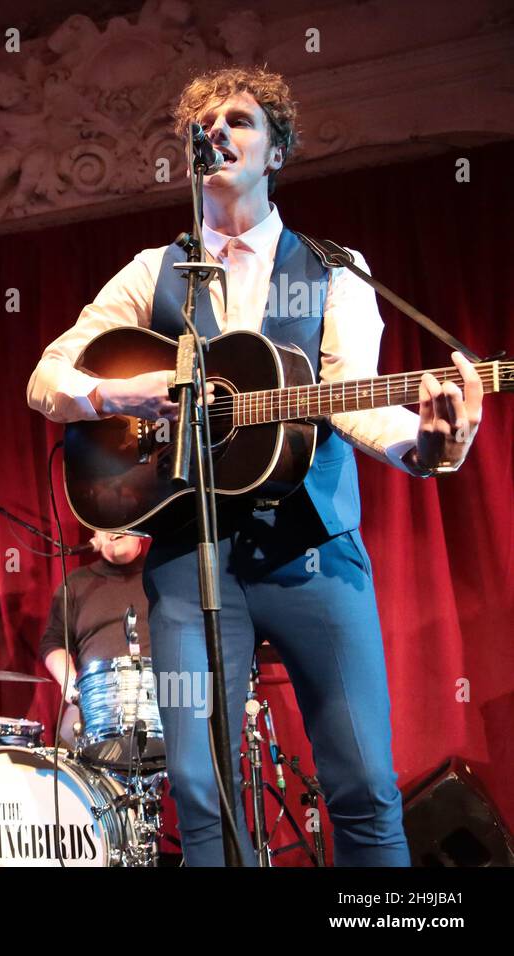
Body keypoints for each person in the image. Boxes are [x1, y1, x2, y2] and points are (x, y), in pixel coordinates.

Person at [26, 66, 484, 865]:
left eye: (237, 119)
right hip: (192, 554)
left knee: (363, 783)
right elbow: (46, 381)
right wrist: (117, 395)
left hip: (312, 549)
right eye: (202, 124)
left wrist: (428, 447)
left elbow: (351, 396)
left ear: (277, 152)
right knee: (201, 794)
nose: (217, 132)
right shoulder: (150, 271)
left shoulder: (335, 268)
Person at [39, 530, 148, 748]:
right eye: (105, 524)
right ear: (95, 534)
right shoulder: (77, 584)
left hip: (162, 697)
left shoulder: (164, 577)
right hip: (96, 702)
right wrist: (70, 683)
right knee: (67, 746)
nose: (115, 530)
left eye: (122, 521)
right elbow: (53, 642)